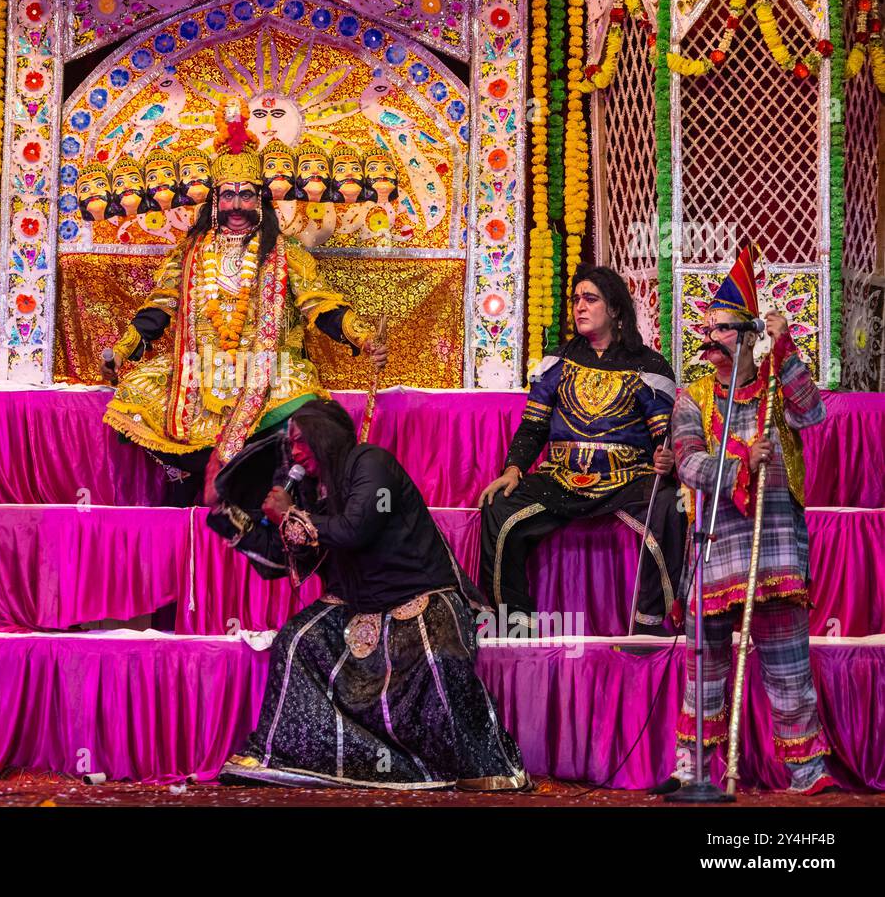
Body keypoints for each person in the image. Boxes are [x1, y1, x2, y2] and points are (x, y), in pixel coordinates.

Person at [209, 400, 528, 791]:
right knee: (297, 640)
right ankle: (292, 758)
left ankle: (484, 767)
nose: (293, 452)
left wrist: (292, 515)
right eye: (290, 445)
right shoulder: (312, 491)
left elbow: (355, 528)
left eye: (299, 441)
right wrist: (224, 514)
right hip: (355, 605)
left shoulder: (370, 463)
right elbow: (279, 557)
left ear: (322, 436)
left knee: (441, 657)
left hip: (419, 595)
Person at [102, 96, 386, 505]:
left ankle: (256, 486)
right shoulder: (190, 253)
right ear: (215, 201)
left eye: (247, 195)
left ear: (261, 200)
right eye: (228, 195)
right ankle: (206, 480)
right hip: (199, 375)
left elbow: (320, 305)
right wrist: (123, 350)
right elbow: (159, 308)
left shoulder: (284, 252)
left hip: (270, 373)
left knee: (314, 418)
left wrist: (361, 337)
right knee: (132, 398)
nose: (237, 205)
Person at [655, 245, 833, 796]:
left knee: (788, 671)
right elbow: (685, 460)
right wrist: (737, 465)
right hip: (714, 548)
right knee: (703, 673)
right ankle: (694, 772)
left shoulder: (779, 384)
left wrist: (788, 348)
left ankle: (807, 773)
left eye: (723, 329)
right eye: (706, 328)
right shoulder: (692, 397)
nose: (709, 339)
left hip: (775, 549)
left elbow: (814, 412)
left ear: (750, 335)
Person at [477, 263, 684, 634]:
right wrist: (512, 469)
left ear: (616, 309)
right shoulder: (558, 361)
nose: (579, 307)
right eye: (576, 300)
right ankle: (514, 625)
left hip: (626, 479)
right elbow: (534, 425)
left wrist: (664, 457)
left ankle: (649, 624)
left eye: (590, 299)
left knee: (670, 504)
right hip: (560, 478)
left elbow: (661, 432)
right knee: (499, 506)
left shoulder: (648, 365)